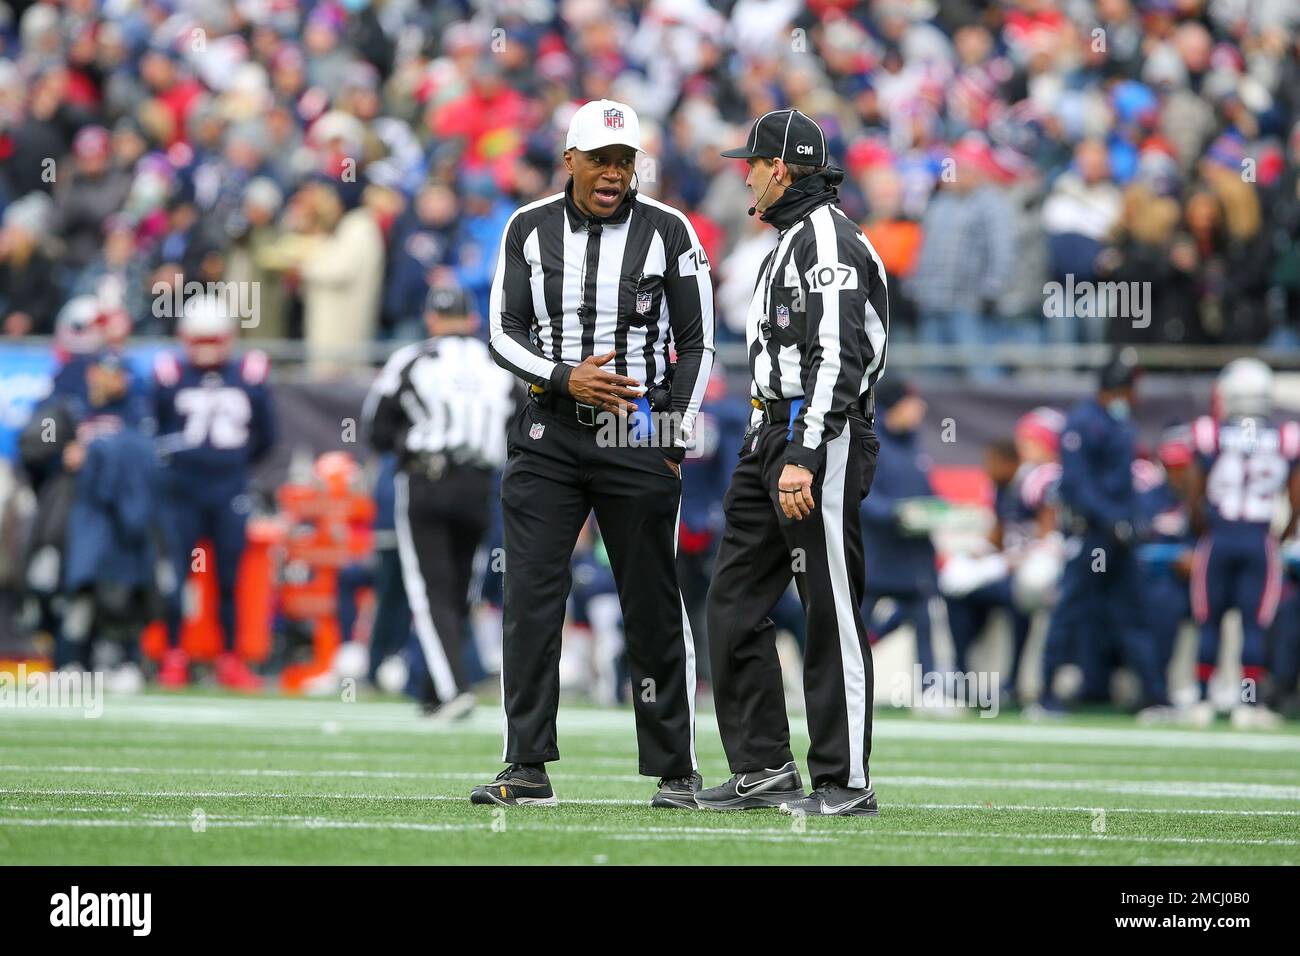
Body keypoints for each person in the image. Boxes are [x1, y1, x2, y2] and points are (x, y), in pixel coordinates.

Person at [470, 99, 716, 809]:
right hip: (550, 427)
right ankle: (526, 766)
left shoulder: (669, 229)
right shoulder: (528, 225)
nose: (613, 173)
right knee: (532, 598)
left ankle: (676, 770)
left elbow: (698, 341)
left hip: (634, 429)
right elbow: (501, 329)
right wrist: (561, 374)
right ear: (569, 160)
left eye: (624, 160)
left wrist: (673, 431)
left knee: (651, 600)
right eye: (601, 159)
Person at [699, 109, 887, 816]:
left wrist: (805, 449)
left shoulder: (827, 241)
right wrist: (766, 436)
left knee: (828, 605)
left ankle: (845, 782)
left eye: (750, 163)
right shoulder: (788, 241)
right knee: (732, 602)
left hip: (819, 435)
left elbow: (838, 355)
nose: (744, 174)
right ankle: (764, 768)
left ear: (779, 169)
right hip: (773, 434)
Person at [363, 284, 519, 720]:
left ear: (431, 319)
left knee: (428, 588)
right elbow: (521, 423)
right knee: (457, 588)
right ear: (471, 320)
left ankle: (453, 690)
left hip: (426, 479)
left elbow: (376, 426)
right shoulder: (498, 364)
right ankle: (434, 690)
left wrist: (408, 447)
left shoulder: (413, 358)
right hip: (480, 483)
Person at [1031, 351, 1172, 719]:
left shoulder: (1121, 424)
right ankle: (1046, 696)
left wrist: (1134, 521)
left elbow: (1124, 484)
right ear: (1118, 387)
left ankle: (1155, 696)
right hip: (1093, 536)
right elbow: (1076, 486)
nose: (1136, 394)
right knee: (1071, 613)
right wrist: (1112, 521)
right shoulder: (1082, 423)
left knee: (1135, 614)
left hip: (1120, 538)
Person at [153, 296, 276, 690]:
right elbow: (153, 431)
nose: (206, 348)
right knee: (178, 575)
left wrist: (234, 466)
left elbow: (267, 437)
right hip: (183, 491)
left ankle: (230, 658)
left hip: (228, 490)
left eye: (213, 339)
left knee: (228, 577)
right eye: (199, 340)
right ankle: (174, 654)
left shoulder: (249, 376)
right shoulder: (170, 374)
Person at [1186, 359, 1300, 728]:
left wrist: (1203, 525)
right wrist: (1286, 530)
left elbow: (1194, 490)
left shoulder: (1210, 432)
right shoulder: (1285, 435)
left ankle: (1203, 701)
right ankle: (1247, 705)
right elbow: (1296, 495)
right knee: (1254, 625)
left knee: (1209, 621)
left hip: (1220, 535)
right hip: (1258, 537)